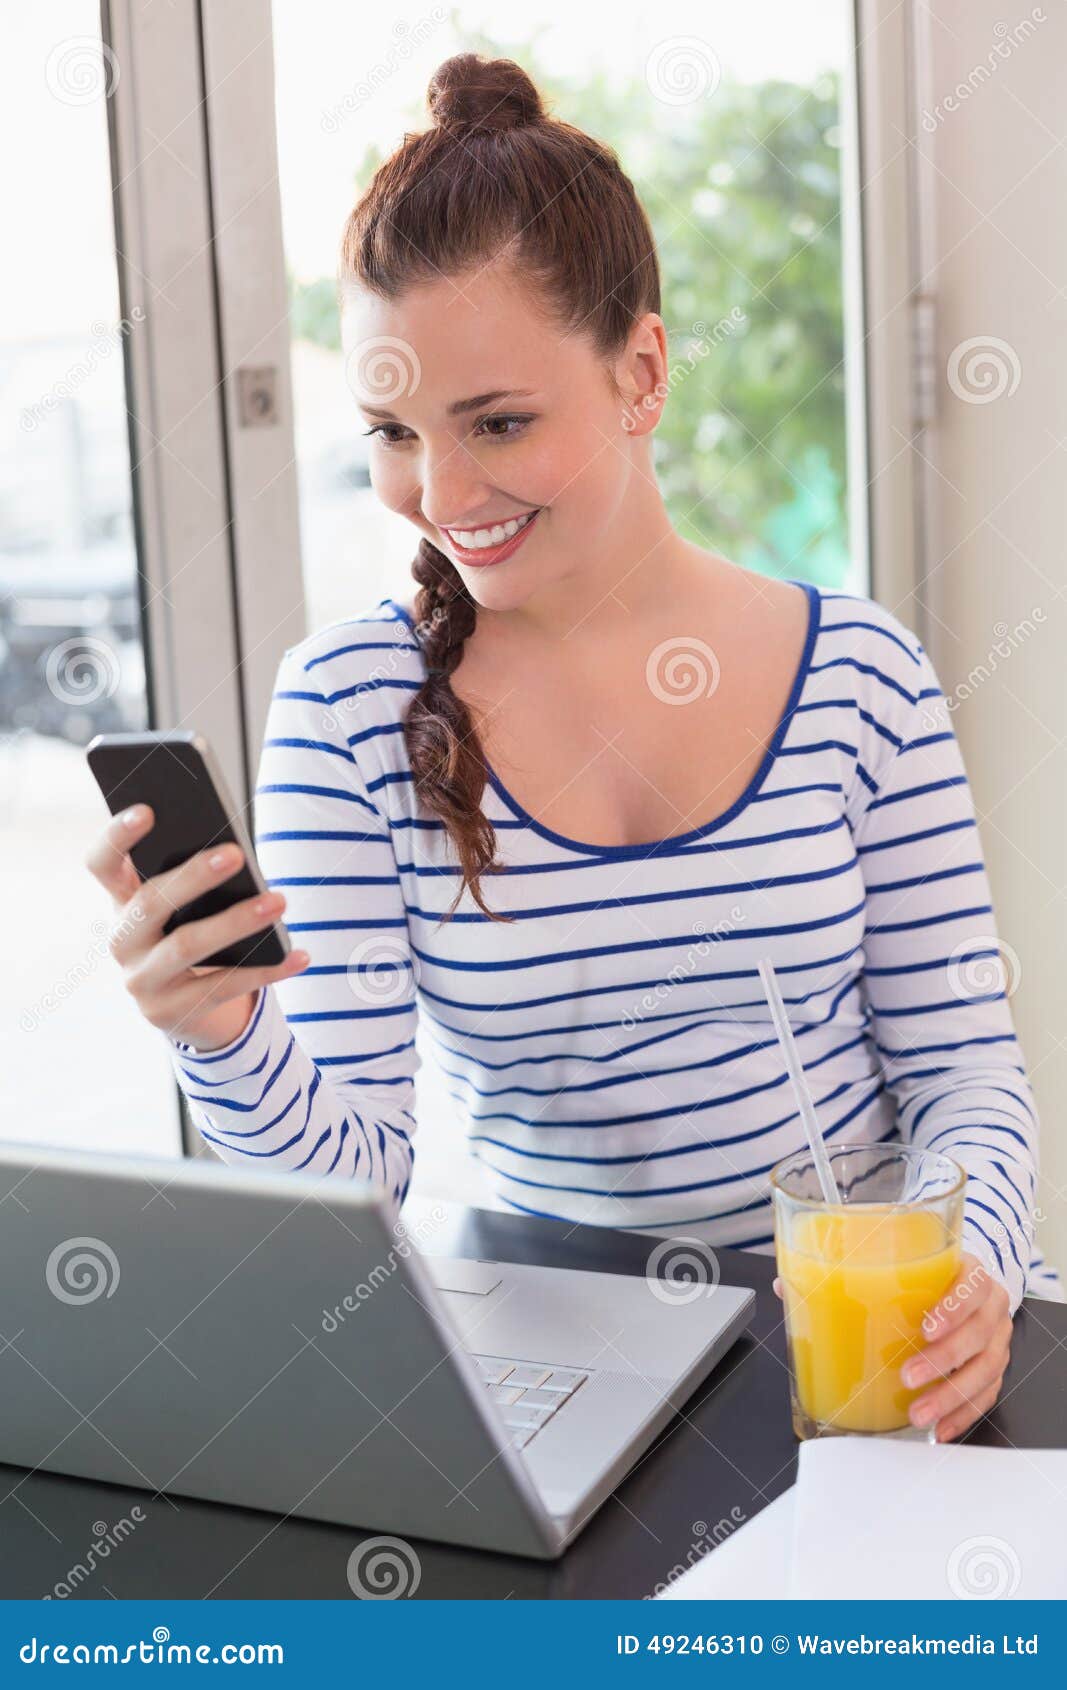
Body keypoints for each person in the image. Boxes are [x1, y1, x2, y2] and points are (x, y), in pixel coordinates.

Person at [86, 53, 1062, 1446]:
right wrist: (223, 1031)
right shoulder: (349, 710)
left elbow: (964, 1067)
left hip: (870, 1338)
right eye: (394, 432)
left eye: (498, 421)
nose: (444, 493)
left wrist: (980, 1265)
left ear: (642, 370)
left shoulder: (861, 679)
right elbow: (353, 1185)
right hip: (549, 1359)